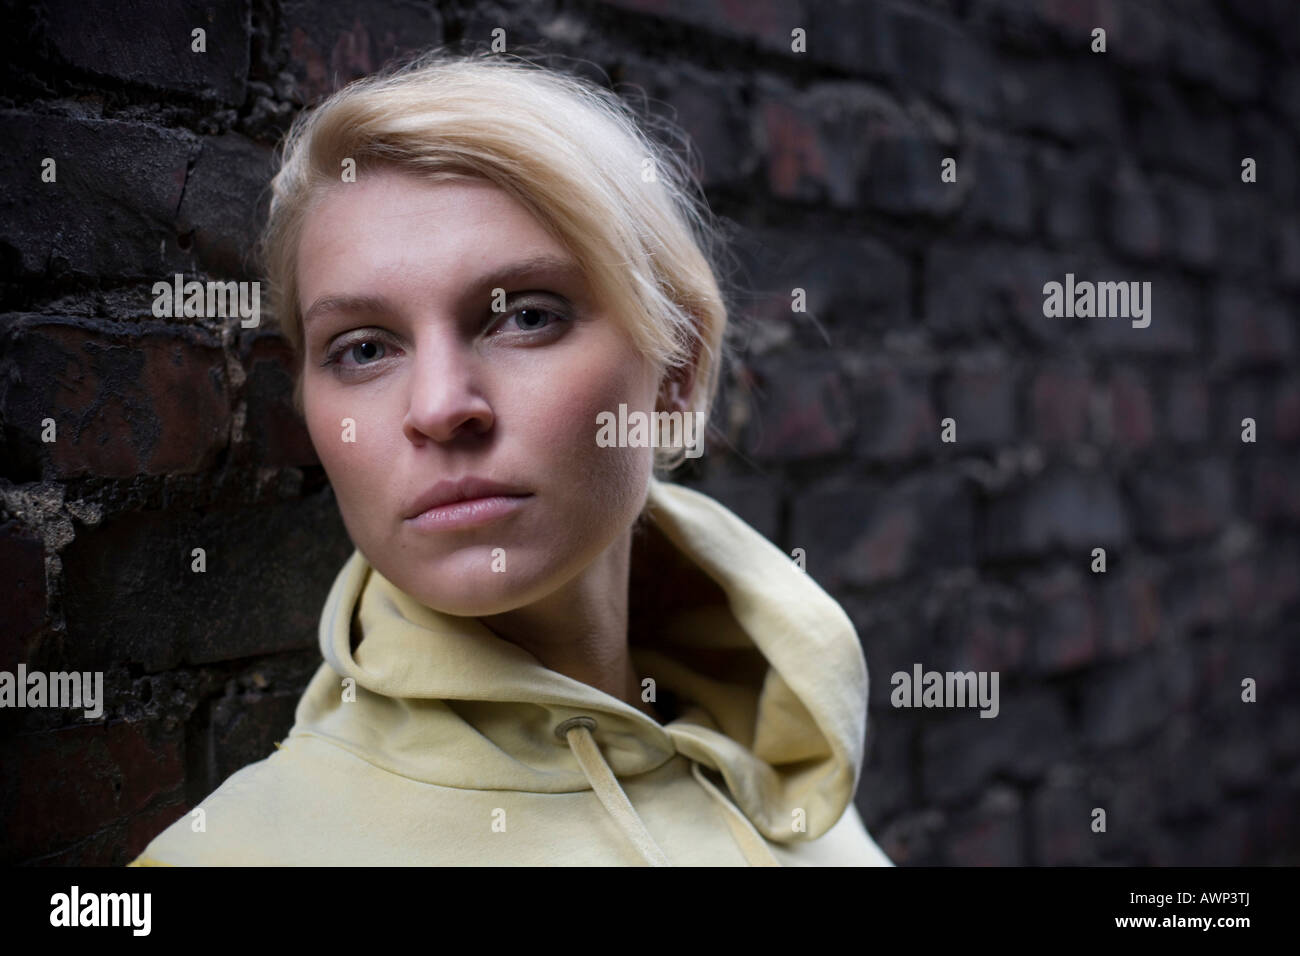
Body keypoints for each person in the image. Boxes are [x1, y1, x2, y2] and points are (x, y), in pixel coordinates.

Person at [129, 49, 893, 866]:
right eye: (362, 350)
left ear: (676, 368)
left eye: (525, 316)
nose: (438, 407)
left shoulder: (784, 771)